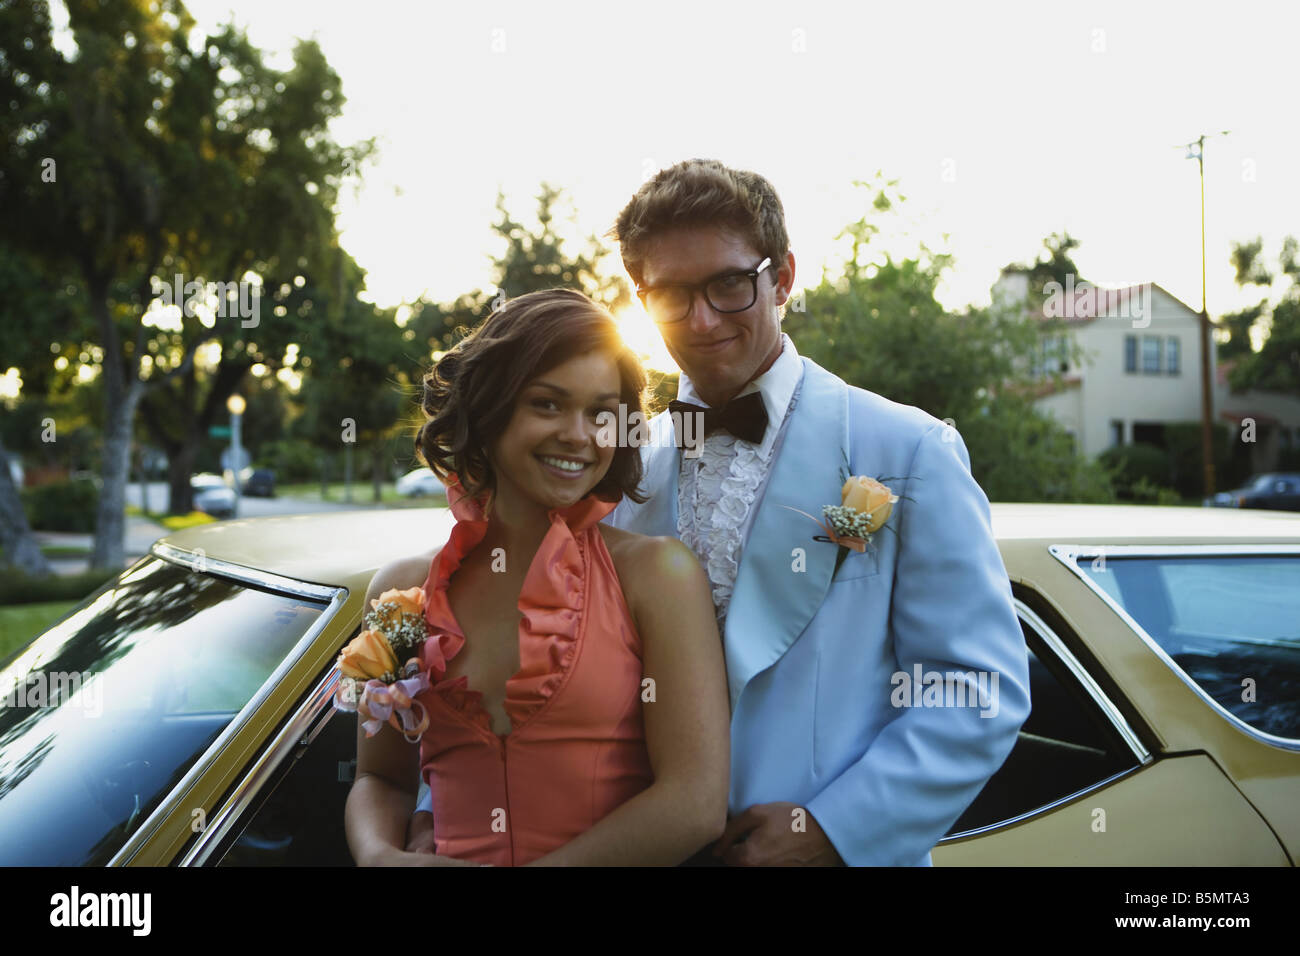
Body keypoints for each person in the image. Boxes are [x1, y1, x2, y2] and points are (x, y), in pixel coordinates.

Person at [601, 158, 1032, 866]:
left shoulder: (909, 449)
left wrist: (835, 830)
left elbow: (975, 688)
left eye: (729, 285)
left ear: (784, 277)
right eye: (672, 293)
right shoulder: (625, 467)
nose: (702, 319)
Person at [345, 288, 729, 866]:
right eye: (547, 404)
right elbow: (383, 781)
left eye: (601, 412)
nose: (579, 434)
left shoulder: (657, 576)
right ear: (488, 412)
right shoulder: (401, 594)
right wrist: (378, 855)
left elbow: (694, 803)